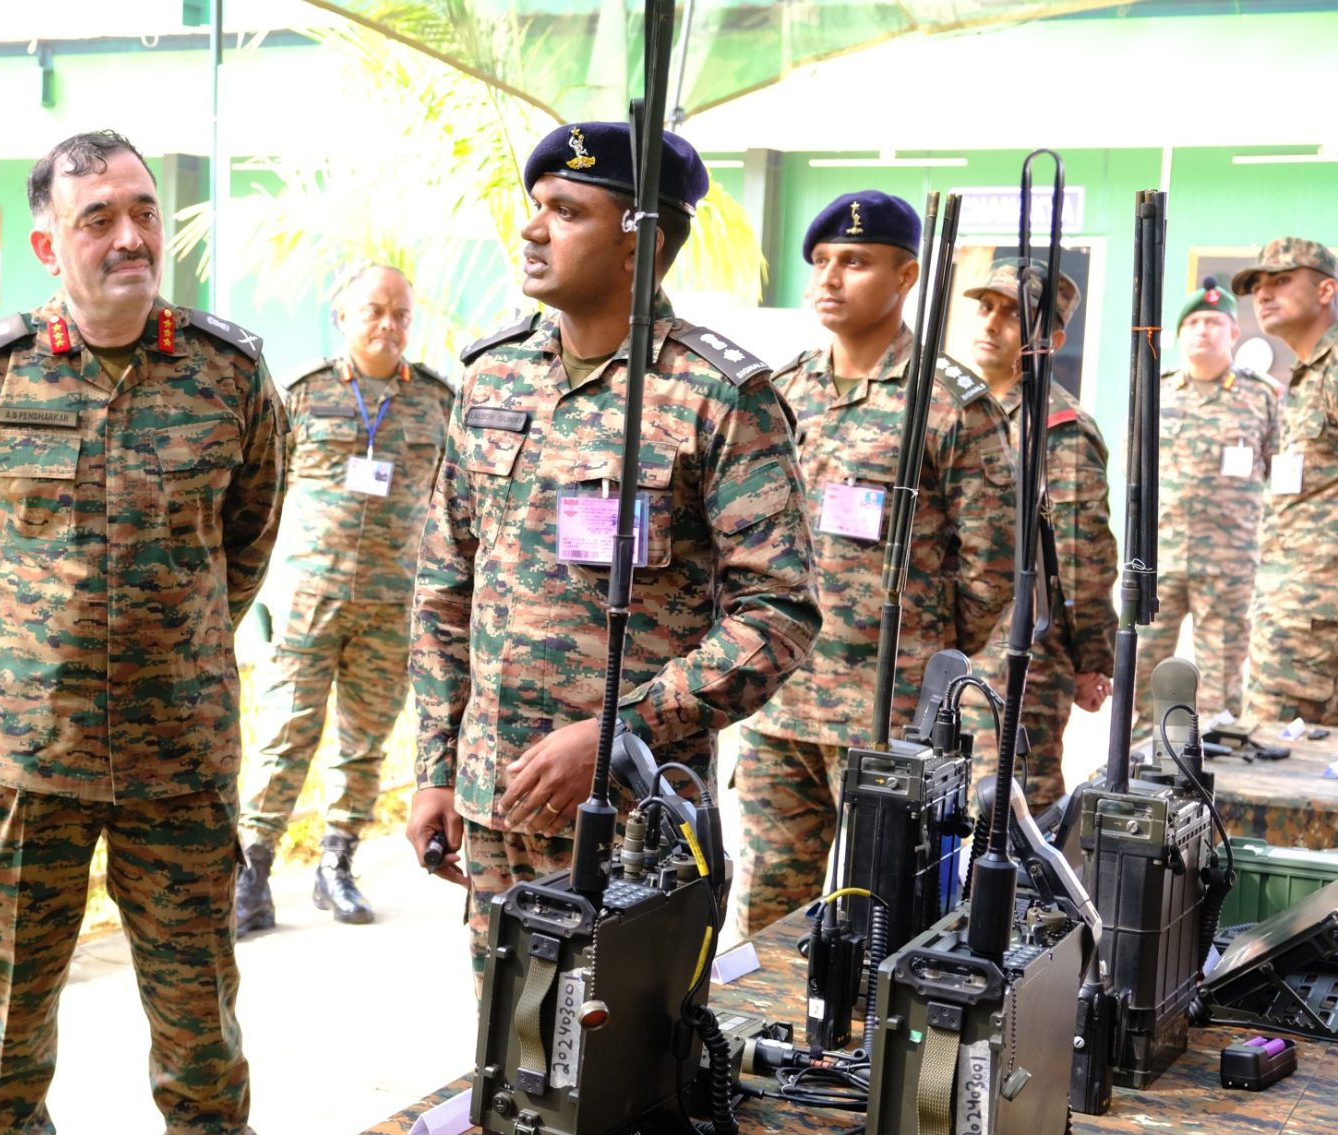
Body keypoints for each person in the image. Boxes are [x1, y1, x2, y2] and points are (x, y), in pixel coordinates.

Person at [0, 129, 285, 1135]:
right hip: (27, 753)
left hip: (179, 754)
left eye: (142, 209)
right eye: (98, 218)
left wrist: (160, 650)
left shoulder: (231, 375)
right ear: (48, 243)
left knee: (197, 1006)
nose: (130, 235)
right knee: (10, 1000)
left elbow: (246, 544)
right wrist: (55, 656)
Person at [408, 120, 821, 976]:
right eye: (536, 207)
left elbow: (777, 615)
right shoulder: (492, 379)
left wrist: (618, 732)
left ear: (642, 241)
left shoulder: (718, 398)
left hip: (633, 815)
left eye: (565, 211)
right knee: (510, 1052)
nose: (531, 228)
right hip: (493, 806)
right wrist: (437, 768)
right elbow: (446, 583)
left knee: (622, 1073)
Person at [731, 191, 1016, 937]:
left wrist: (928, 663)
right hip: (778, 702)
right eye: (821, 261)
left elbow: (991, 563)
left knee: (886, 911)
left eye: (854, 262)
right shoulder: (781, 393)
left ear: (906, 274)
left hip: (886, 711)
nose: (830, 277)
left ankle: (865, 1051)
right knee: (768, 905)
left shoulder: (950, 403)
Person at [233, 264, 454, 933]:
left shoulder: (437, 402)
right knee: (283, 735)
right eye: (374, 311)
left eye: (400, 315)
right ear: (343, 317)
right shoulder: (302, 393)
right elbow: (257, 489)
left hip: (392, 605)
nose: (388, 325)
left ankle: (337, 865)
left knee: (365, 742)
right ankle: (253, 871)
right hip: (309, 595)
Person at [962, 259, 1118, 810]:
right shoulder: (953, 409)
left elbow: (1082, 556)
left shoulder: (1060, 429)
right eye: (986, 307)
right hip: (942, 651)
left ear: (1050, 339)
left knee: (1011, 812)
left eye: (1013, 313)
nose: (991, 323)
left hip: (1021, 657)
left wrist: (1092, 658)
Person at [1135, 275, 1279, 728]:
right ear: (1180, 333)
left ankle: (1217, 774)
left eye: (1215, 322)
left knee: (1221, 683)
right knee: (1142, 669)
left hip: (1230, 564)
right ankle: (1138, 764)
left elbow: (1282, 472)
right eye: (1194, 321)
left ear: (1234, 333)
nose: (1203, 330)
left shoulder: (1261, 397)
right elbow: (1132, 470)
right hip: (1158, 559)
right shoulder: (1154, 392)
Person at [1232, 238, 1338, 726]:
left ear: (1326, 290)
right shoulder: (1304, 376)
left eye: (1280, 281)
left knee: (1286, 761)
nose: (1264, 294)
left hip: (1318, 618)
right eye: (1257, 285)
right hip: (1296, 609)